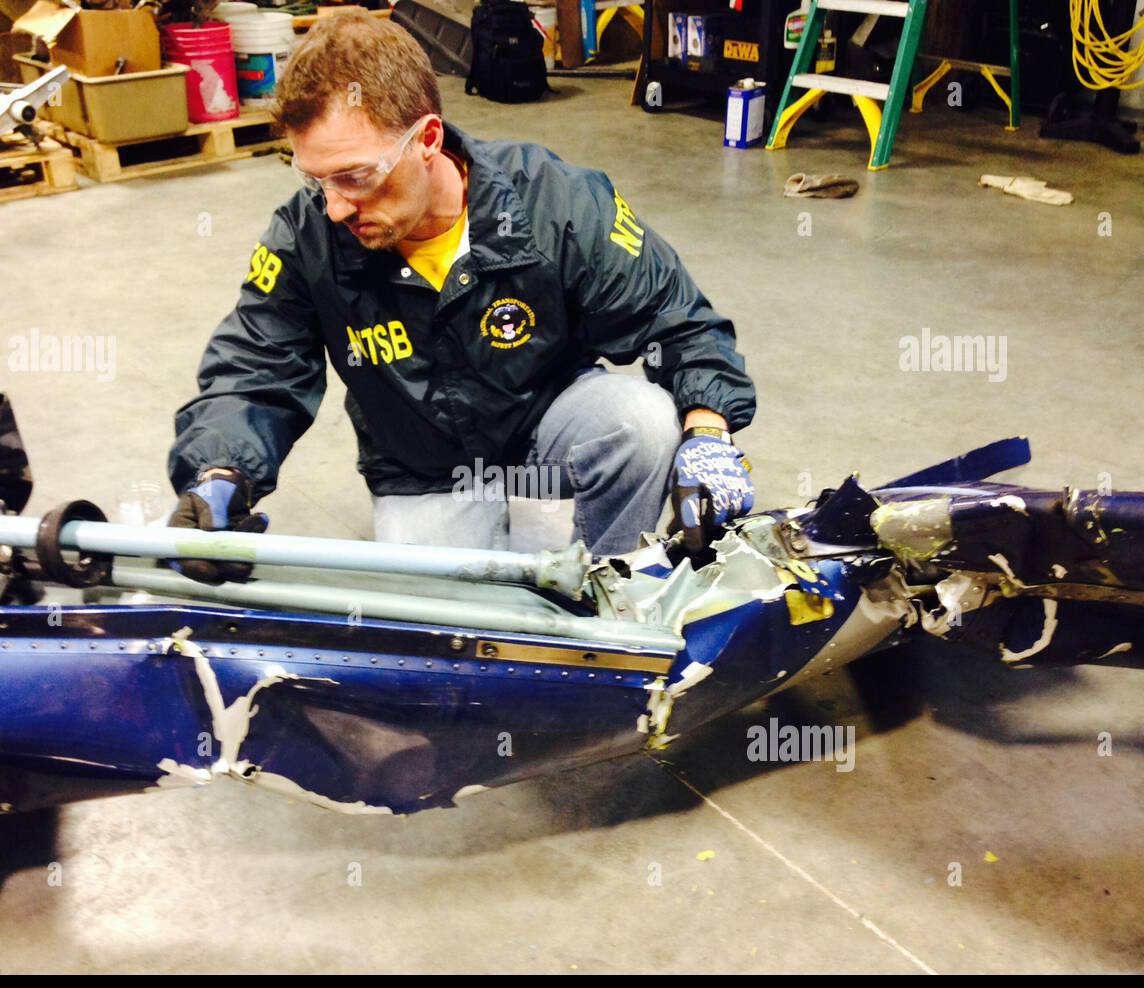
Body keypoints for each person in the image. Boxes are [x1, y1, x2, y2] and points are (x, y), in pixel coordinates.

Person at [166, 12, 755, 585]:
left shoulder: (556, 204)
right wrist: (219, 472)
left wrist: (707, 434)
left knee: (642, 423)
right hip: (426, 474)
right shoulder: (306, 237)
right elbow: (254, 368)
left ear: (427, 138)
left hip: (537, 439)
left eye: (353, 176)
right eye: (314, 179)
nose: (335, 207)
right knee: (452, 641)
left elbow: (677, 321)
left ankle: (609, 594)